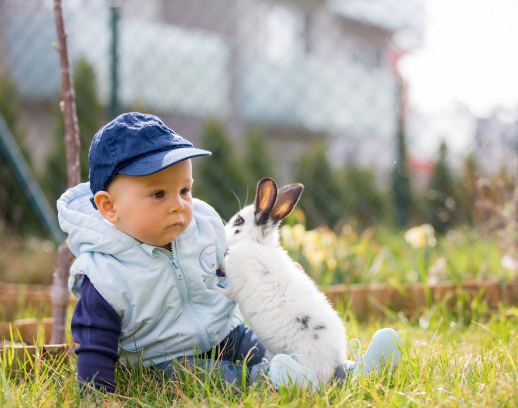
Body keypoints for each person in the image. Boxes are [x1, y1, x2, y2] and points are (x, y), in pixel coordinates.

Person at [57, 112, 402, 393]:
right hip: (164, 358)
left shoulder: (203, 226)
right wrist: (96, 392)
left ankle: (343, 371)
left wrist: (278, 273)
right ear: (109, 207)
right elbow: (94, 340)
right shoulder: (104, 274)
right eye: (159, 195)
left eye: (185, 190)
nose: (179, 206)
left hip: (225, 332)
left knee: (269, 346)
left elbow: (236, 265)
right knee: (211, 376)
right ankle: (271, 381)